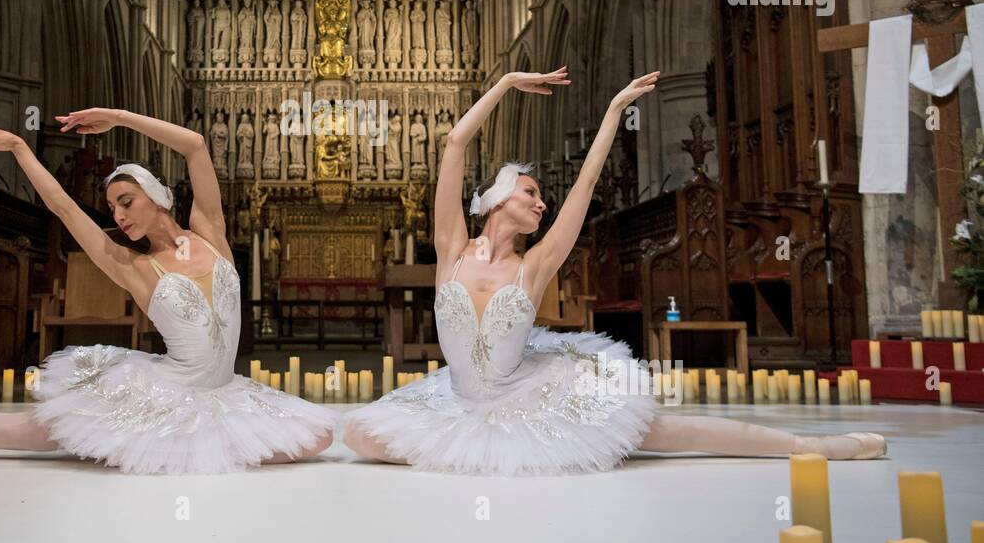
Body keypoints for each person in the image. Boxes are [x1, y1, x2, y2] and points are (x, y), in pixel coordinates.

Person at [341, 68, 886, 475]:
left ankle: (811, 447)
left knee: (663, 434)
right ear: (500, 198)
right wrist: (506, 83)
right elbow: (455, 143)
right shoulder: (452, 248)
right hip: (462, 401)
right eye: (531, 193)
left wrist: (614, 111)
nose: (541, 204)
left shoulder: (535, 266)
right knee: (362, 436)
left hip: (532, 395)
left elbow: (585, 185)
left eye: (541, 199)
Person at [0, 107, 336, 473]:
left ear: (157, 197)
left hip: (222, 393)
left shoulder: (210, 232)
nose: (118, 215)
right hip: (163, 390)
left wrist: (119, 118)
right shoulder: (131, 265)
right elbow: (60, 206)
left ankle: (194, 437)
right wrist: (18, 149)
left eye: (126, 201)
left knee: (316, 438)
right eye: (113, 208)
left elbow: (194, 145)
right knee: (33, 433)